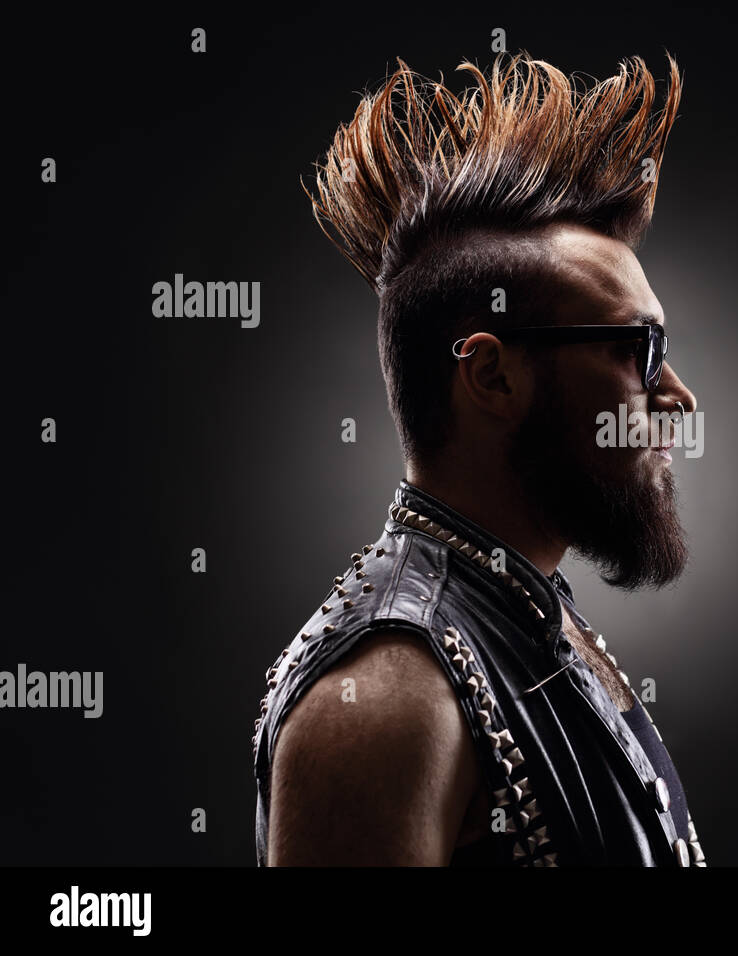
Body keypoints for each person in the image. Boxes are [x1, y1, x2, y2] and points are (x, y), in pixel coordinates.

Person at [251, 50, 705, 866]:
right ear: (492, 375)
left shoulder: (534, 612)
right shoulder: (386, 698)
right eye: (637, 349)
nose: (677, 396)